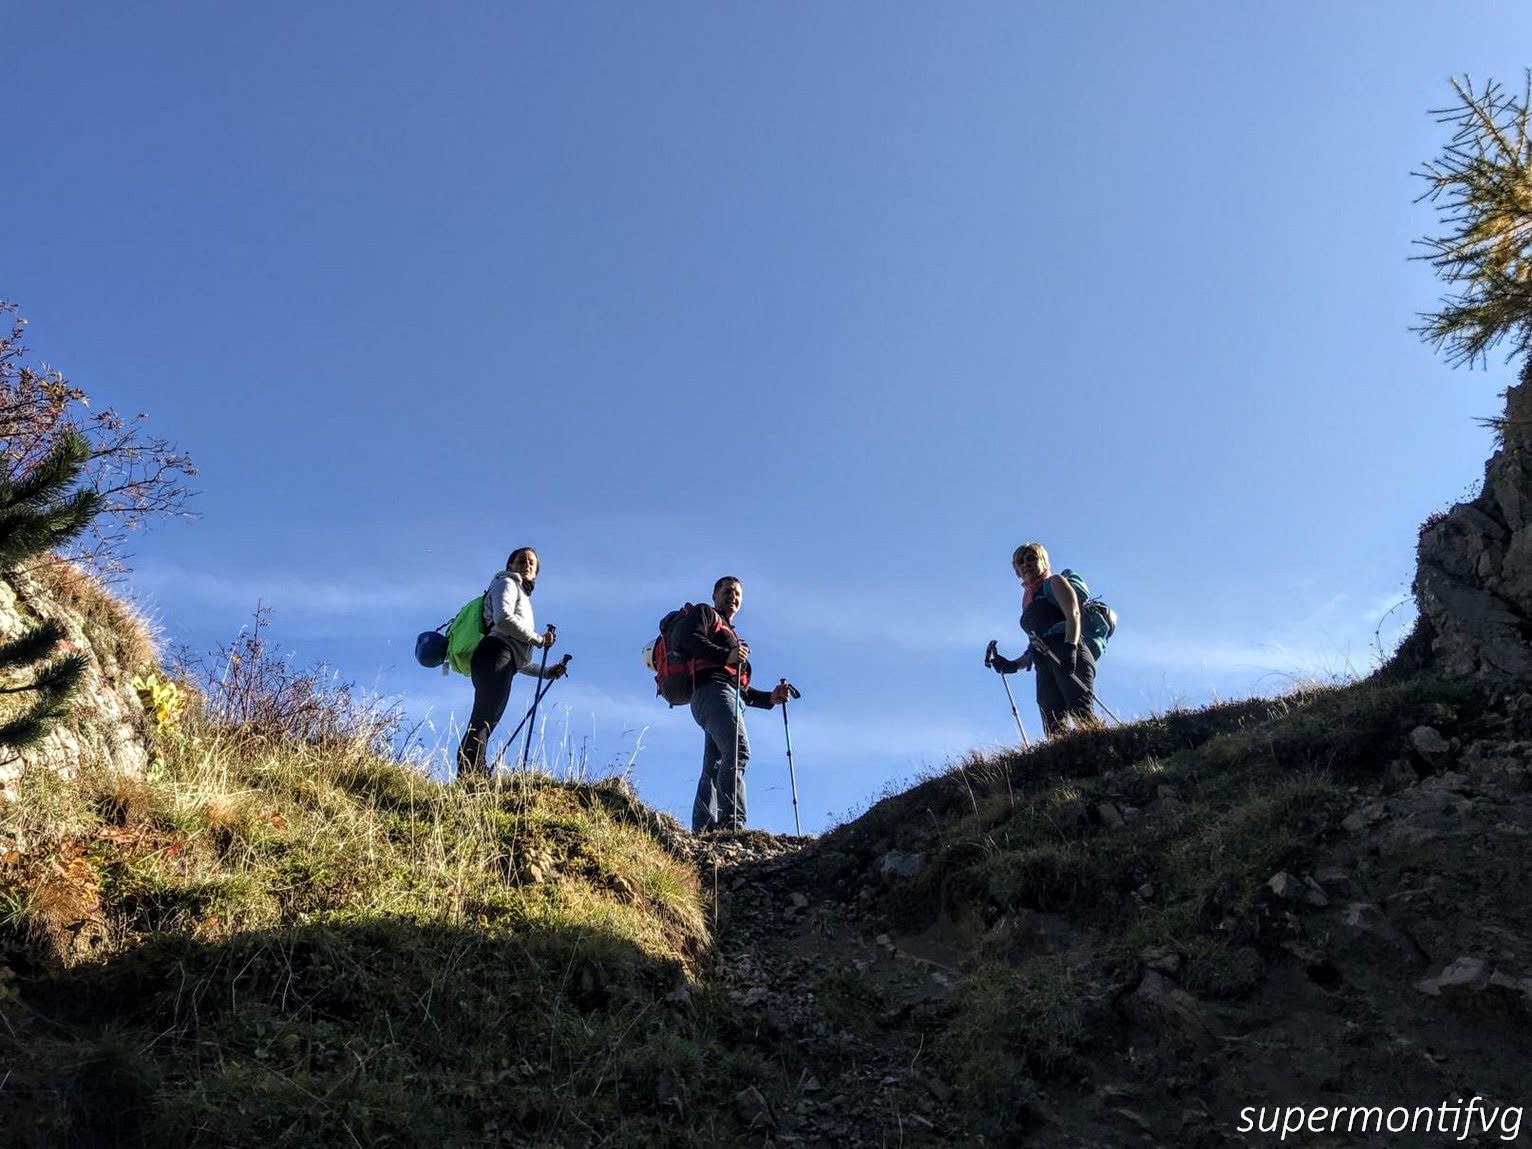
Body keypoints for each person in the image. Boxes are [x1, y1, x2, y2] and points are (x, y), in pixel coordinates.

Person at [672, 575, 793, 832]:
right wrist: (726, 654)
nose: (733, 596)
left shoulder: (730, 634)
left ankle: (703, 828)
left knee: (715, 763)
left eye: (737, 593)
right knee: (738, 750)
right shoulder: (706, 613)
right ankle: (732, 822)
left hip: (724, 695)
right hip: (712, 692)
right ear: (714, 595)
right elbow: (687, 638)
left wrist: (769, 698)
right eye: (727, 591)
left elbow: (740, 686)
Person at [456, 547, 567, 779]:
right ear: (510, 566)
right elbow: (503, 619)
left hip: (497, 657)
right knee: (485, 716)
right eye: (521, 560)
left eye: (532, 563)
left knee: (487, 716)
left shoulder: (521, 595)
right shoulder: (507, 583)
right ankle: (472, 773)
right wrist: (538, 639)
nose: (527, 564)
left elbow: (514, 653)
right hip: (494, 655)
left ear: (535, 574)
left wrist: (546, 672)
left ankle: (473, 772)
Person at [989, 542, 1098, 736]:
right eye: (1020, 562)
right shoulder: (1028, 601)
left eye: (1032, 558)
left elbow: (1073, 613)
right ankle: (1066, 764)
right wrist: (1012, 665)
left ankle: (1108, 755)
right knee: (1053, 725)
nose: (1026, 564)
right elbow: (1035, 644)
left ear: (1044, 561)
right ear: (1017, 571)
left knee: (1081, 712)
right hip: (1044, 663)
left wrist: (1070, 648)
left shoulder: (1055, 582)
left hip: (1068, 652)